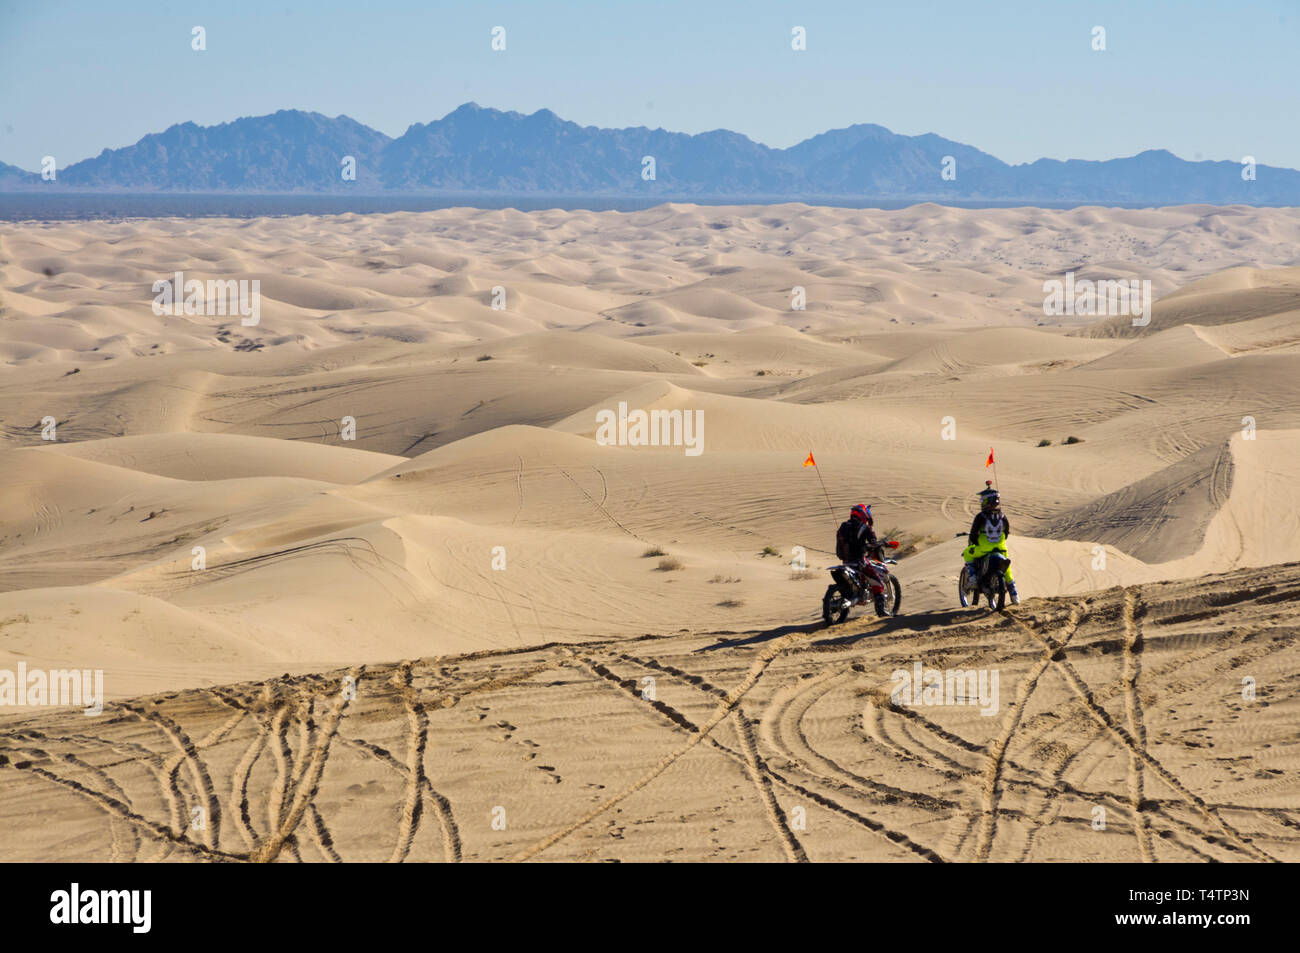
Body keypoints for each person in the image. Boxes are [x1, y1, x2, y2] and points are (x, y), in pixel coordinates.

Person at [963, 483, 1019, 604]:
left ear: (986, 501)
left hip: (983, 549)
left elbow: (973, 535)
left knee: (967, 553)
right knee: (1007, 569)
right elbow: (1007, 533)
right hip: (1000, 549)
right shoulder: (1003, 516)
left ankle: (972, 578)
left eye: (982, 500)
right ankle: (1014, 594)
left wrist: (976, 543)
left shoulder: (980, 516)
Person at [836, 503, 888, 615]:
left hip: (845, 562)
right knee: (877, 582)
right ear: (864, 515)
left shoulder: (843, 526)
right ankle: (882, 611)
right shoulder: (865, 527)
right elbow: (873, 543)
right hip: (859, 561)